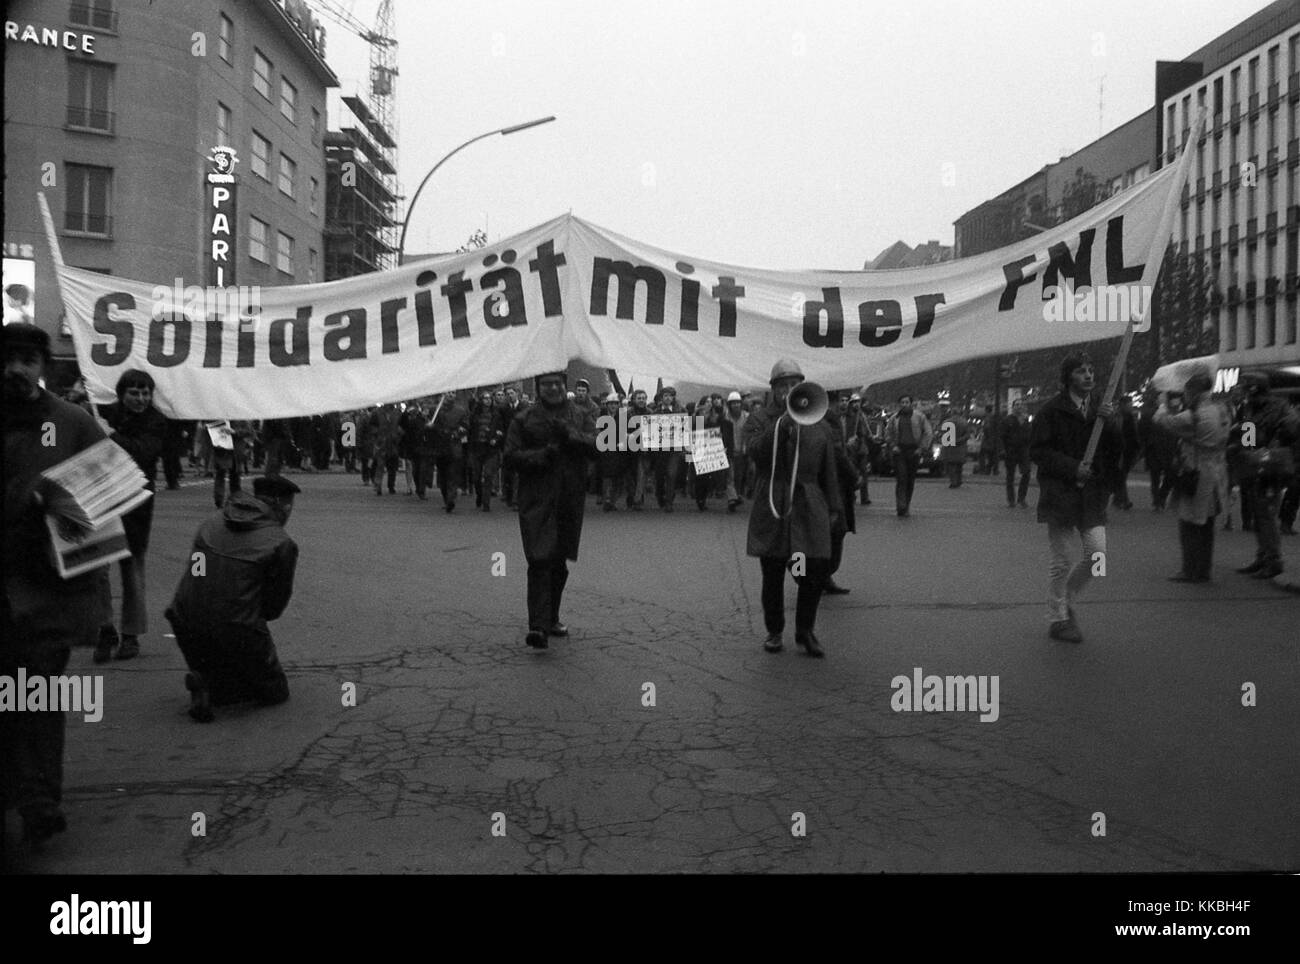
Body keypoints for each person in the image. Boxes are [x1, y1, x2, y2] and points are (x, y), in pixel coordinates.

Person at [2, 324, 108, 845]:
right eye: (8, 359)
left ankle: (40, 799)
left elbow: (106, 505)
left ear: (43, 365)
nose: (16, 369)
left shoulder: (72, 424)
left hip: (46, 590)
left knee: (35, 694)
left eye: (26, 359)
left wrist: (59, 510)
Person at [165, 475, 300, 722]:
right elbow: (273, 607)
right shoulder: (281, 542)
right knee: (274, 692)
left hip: (184, 617)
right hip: (236, 625)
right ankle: (220, 686)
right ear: (282, 505)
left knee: (225, 655)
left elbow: (195, 575)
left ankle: (208, 681)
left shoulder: (211, 522)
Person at [743, 359, 842, 658]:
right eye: (782, 386)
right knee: (773, 573)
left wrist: (834, 506)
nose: (788, 391)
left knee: (808, 572)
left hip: (807, 507)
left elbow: (829, 469)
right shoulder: (760, 419)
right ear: (773, 390)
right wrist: (779, 426)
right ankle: (775, 631)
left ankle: (805, 632)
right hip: (774, 504)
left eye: (793, 385)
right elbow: (755, 453)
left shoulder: (818, 422)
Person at [1029, 353, 1122, 644]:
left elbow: (1117, 449)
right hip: (1061, 493)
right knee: (1061, 561)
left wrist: (1111, 423)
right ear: (1069, 377)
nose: (1089, 376)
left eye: (1092, 370)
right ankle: (1058, 619)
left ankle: (1066, 597)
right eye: (1082, 371)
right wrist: (1072, 468)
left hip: (1091, 494)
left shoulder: (1099, 411)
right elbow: (1039, 452)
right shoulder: (1051, 411)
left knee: (1097, 556)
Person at [503, 371, 598, 649]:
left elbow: (599, 445)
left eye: (557, 383)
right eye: (546, 384)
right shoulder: (524, 418)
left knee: (559, 561)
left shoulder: (581, 415)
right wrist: (541, 456)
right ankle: (538, 627)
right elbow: (510, 456)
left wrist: (572, 436)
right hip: (537, 498)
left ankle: (552, 617)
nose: (553, 388)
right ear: (538, 387)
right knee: (539, 558)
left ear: (564, 384)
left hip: (569, 497)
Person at [93, 370, 167, 663]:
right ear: (122, 394)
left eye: (145, 393)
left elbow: (142, 453)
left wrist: (109, 434)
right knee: (96, 570)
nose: (140, 399)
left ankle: (131, 635)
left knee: (132, 571)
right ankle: (105, 628)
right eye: (134, 393)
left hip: (136, 504)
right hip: (100, 499)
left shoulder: (156, 421)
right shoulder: (103, 412)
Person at [1154, 371, 1230, 583]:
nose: (1185, 394)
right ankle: (1204, 569)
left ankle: (1190, 569)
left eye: (1187, 390)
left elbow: (1162, 421)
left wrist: (1163, 403)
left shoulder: (1194, 415)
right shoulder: (1222, 409)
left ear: (1194, 390)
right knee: (1207, 527)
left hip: (1196, 475)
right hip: (1218, 473)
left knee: (1188, 524)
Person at [1232, 371, 1300, 579]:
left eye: (1246, 386)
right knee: (1259, 512)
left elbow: (1291, 430)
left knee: (1267, 514)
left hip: (1272, 466)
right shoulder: (1250, 406)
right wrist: (1245, 445)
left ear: (1254, 387)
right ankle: (1263, 556)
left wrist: (1270, 438)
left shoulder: (1278, 406)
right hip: (1257, 463)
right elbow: (1249, 437)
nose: (1243, 390)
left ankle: (1273, 559)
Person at [821, 391, 859, 596]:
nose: (844, 404)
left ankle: (818, 575)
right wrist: (854, 476)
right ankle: (817, 574)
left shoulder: (849, 418)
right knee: (835, 531)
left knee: (831, 531)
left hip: (830, 483)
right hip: (834, 484)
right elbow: (837, 452)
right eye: (841, 400)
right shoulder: (831, 419)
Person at [885, 394, 932, 517]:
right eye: (902, 402)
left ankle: (906, 505)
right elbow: (888, 433)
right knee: (901, 478)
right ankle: (901, 505)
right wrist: (892, 445)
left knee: (910, 479)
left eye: (906, 402)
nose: (904, 404)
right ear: (899, 404)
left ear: (911, 404)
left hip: (914, 451)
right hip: (899, 451)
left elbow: (928, 432)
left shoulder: (919, 417)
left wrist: (921, 448)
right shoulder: (894, 418)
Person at [1139, 389, 1178, 511]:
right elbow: (1142, 430)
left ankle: (1161, 497)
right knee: (1155, 477)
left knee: (1170, 476)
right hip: (1154, 450)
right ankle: (1157, 501)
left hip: (1169, 450)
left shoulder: (1174, 413)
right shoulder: (1149, 414)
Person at [999, 398, 1032, 508]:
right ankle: (1011, 499)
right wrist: (1004, 449)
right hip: (1011, 451)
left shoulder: (1026, 420)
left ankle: (1021, 498)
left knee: (1026, 474)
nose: (1019, 407)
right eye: (1017, 405)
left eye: (1020, 405)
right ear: (1013, 407)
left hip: (1023, 451)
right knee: (1010, 476)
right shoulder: (1007, 420)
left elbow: (1030, 434)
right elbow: (1002, 436)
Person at [1111, 395, 1140, 510]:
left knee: (1121, 476)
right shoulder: (1116, 416)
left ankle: (1117, 499)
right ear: (1122, 405)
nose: (1131, 407)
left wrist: (1137, 449)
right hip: (1119, 451)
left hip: (1129, 451)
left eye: (1131, 404)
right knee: (1121, 475)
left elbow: (1135, 434)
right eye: (1128, 405)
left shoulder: (1132, 417)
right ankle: (1124, 500)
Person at [723, 390, 749, 511]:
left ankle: (736, 495)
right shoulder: (725, 417)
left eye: (738, 403)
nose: (736, 405)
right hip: (728, 450)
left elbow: (749, 433)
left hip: (742, 451)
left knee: (739, 476)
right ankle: (731, 499)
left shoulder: (747, 417)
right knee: (730, 476)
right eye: (733, 403)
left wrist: (746, 446)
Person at [935, 402, 969, 488]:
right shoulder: (964, 422)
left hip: (950, 446)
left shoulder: (947, 422)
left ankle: (953, 481)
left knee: (951, 465)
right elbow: (967, 435)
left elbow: (942, 434)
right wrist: (959, 440)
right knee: (959, 465)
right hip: (961, 446)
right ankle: (959, 480)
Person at [978, 404, 1001, 475]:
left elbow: (987, 428)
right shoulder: (993, 417)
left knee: (982, 454)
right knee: (993, 455)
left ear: (986, 410)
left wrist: (986, 436)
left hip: (988, 439)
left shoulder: (987, 418)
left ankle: (984, 469)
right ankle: (993, 469)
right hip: (993, 439)